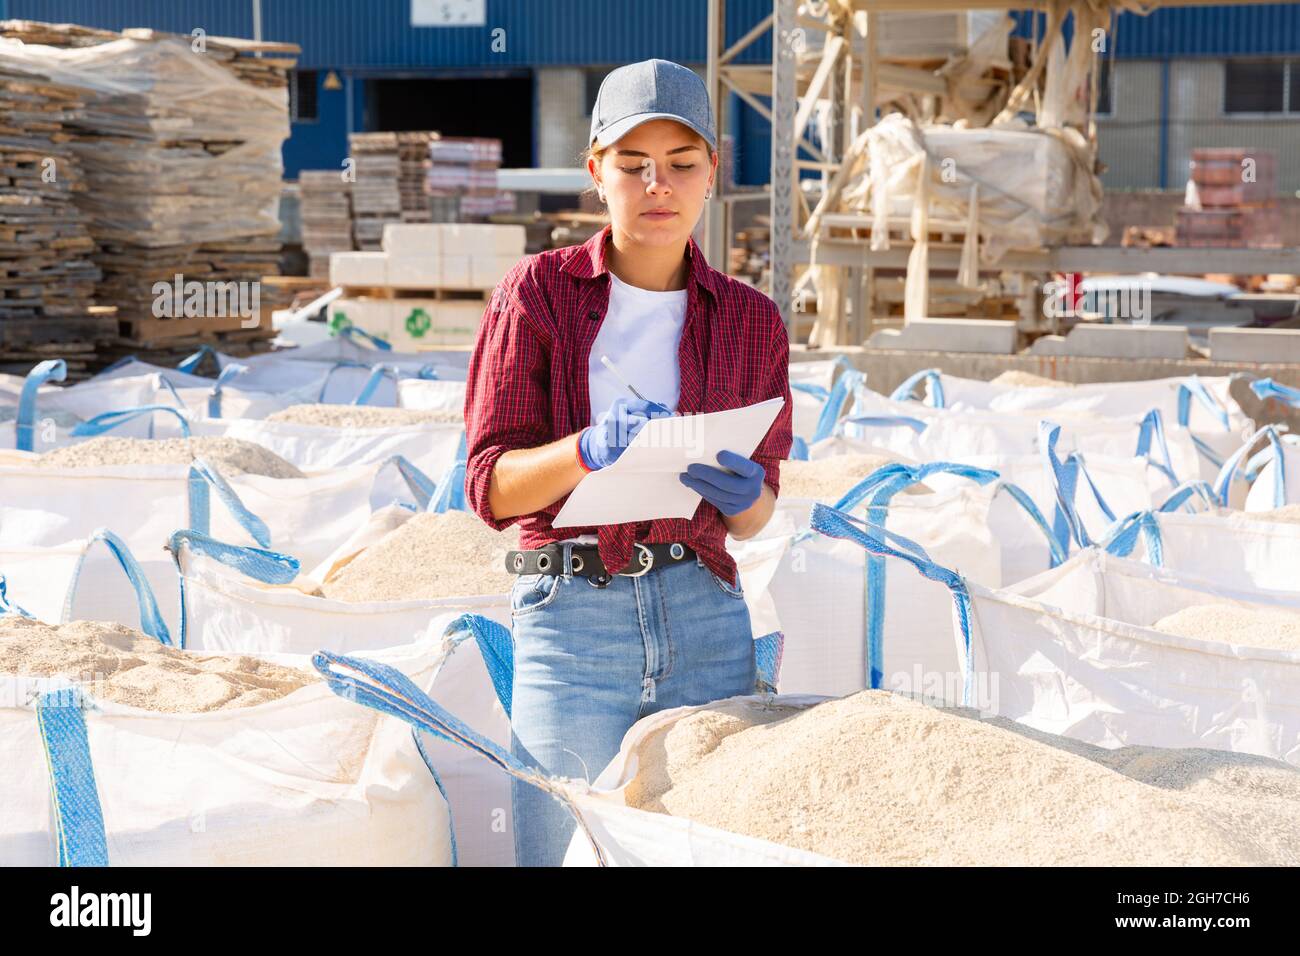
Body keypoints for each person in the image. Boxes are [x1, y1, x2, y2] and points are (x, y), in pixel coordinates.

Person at [463, 58, 793, 867]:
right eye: (633, 165)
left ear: (713, 171)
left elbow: (758, 514)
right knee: (555, 848)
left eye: (681, 165)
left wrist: (748, 496)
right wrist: (582, 452)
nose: (659, 185)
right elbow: (490, 486)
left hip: (705, 613)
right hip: (574, 620)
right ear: (595, 173)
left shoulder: (752, 321)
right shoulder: (536, 294)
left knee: (709, 848)